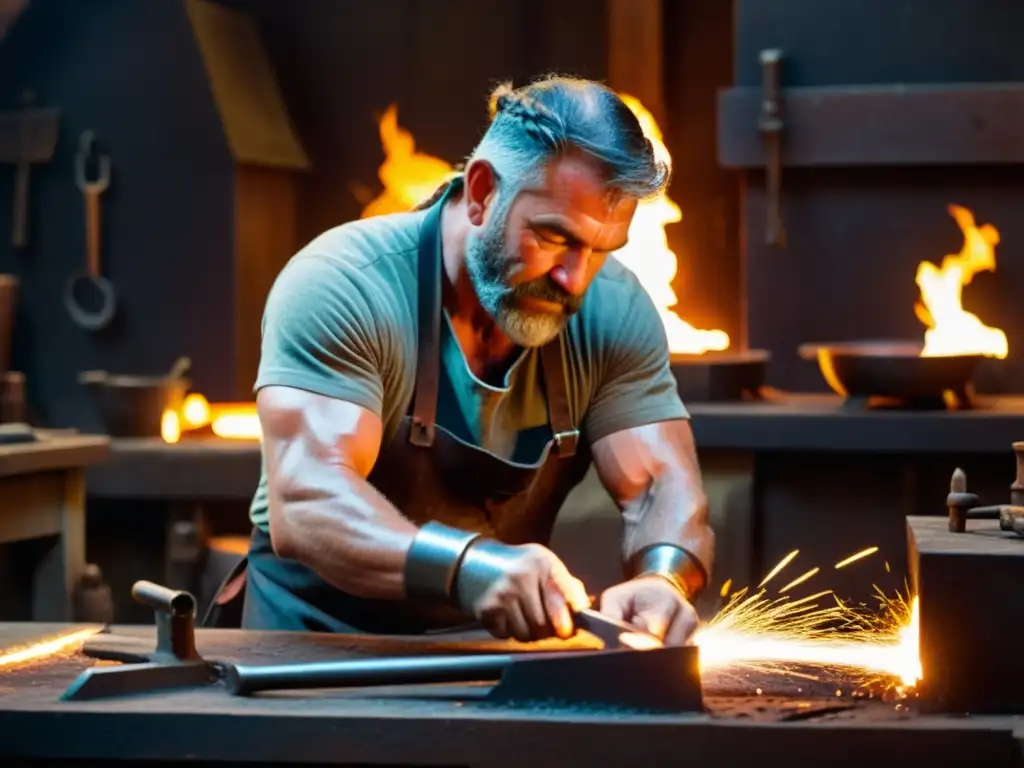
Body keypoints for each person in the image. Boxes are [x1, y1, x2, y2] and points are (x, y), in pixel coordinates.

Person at [240, 75, 715, 647]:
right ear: (483, 192)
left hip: (485, 653)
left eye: (601, 251)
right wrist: (466, 567)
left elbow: (661, 486)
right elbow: (309, 503)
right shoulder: (344, 285)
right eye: (554, 237)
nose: (576, 280)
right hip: (311, 648)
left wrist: (665, 578)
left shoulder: (613, 308)